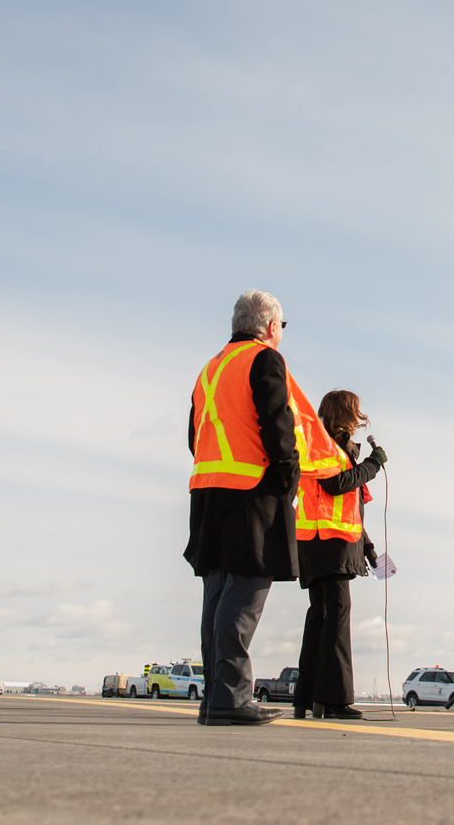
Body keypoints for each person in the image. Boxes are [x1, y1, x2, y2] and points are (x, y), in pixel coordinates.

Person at [186, 290, 342, 726]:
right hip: (250, 492)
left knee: (217, 594)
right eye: (283, 327)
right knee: (246, 591)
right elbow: (280, 427)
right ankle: (231, 698)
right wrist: (287, 482)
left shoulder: (210, 368)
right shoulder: (264, 360)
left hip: (207, 492)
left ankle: (216, 696)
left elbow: (193, 436)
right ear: (271, 326)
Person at [291, 390, 387, 720]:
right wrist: (373, 464)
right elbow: (338, 485)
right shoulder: (326, 444)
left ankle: (307, 698)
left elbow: (350, 506)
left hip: (319, 540)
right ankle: (334, 699)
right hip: (328, 540)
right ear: (346, 413)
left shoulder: (330, 446)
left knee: (320, 615)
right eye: (355, 411)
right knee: (337, 613)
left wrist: (370, 549)